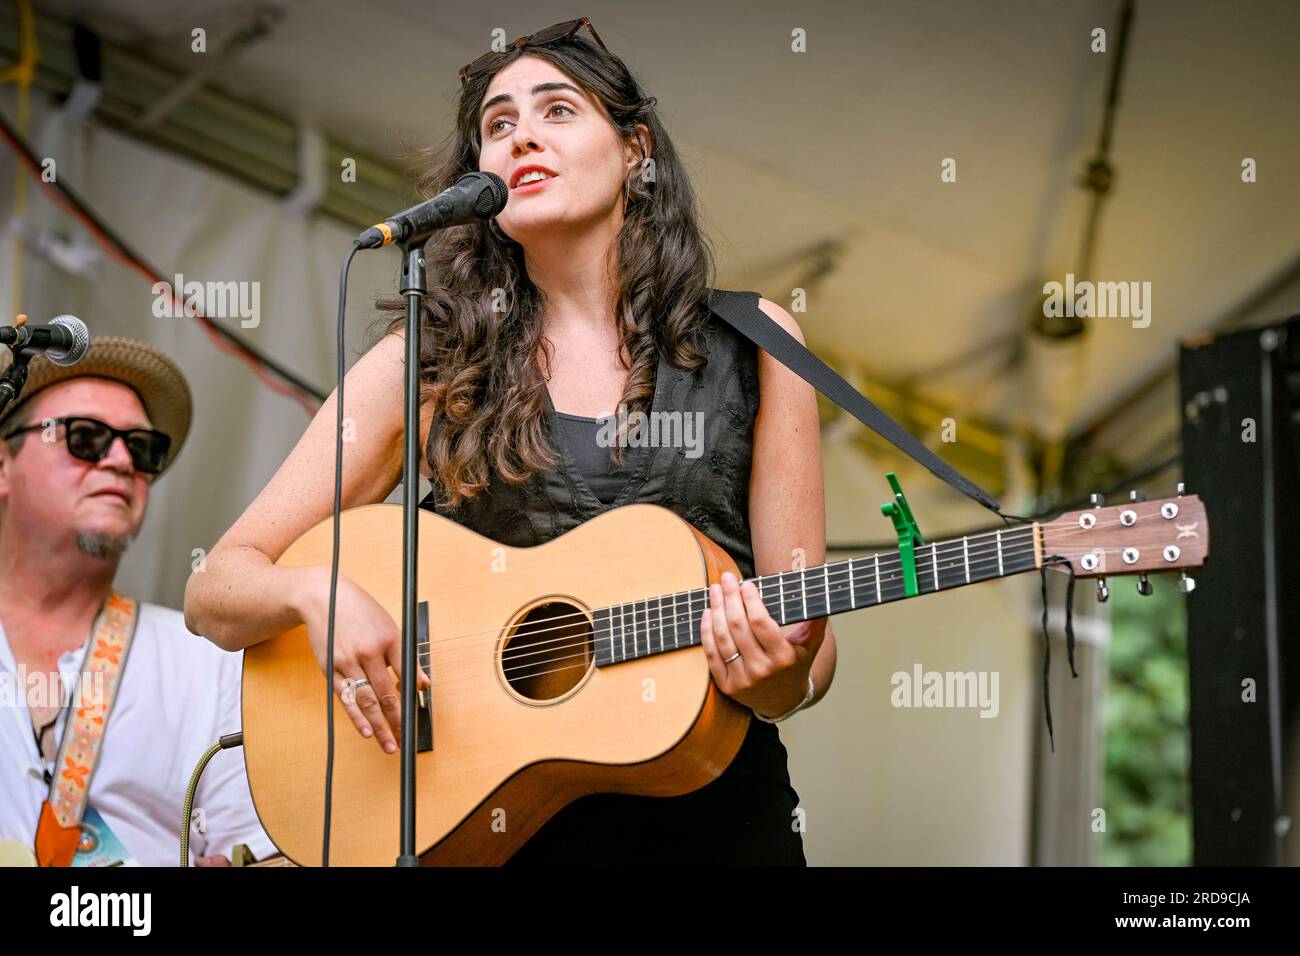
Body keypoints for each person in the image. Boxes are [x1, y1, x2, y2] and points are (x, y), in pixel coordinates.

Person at [184, 17, 836, 865]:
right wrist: (318, 596)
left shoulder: (758, 345)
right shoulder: (424, 363)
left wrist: (781, 676)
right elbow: (216, 590)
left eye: (557, 110)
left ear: (636, 150)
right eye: (498, 124)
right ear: (478, 180)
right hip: (486, 832)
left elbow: (810, 656)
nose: (522, 134)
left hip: (713, 823)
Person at [0, 337, 276, 866]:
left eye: (143, 448)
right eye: (86, 437)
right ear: (4, 465)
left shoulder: (211, 664)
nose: (124, 459)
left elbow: (254, 855)